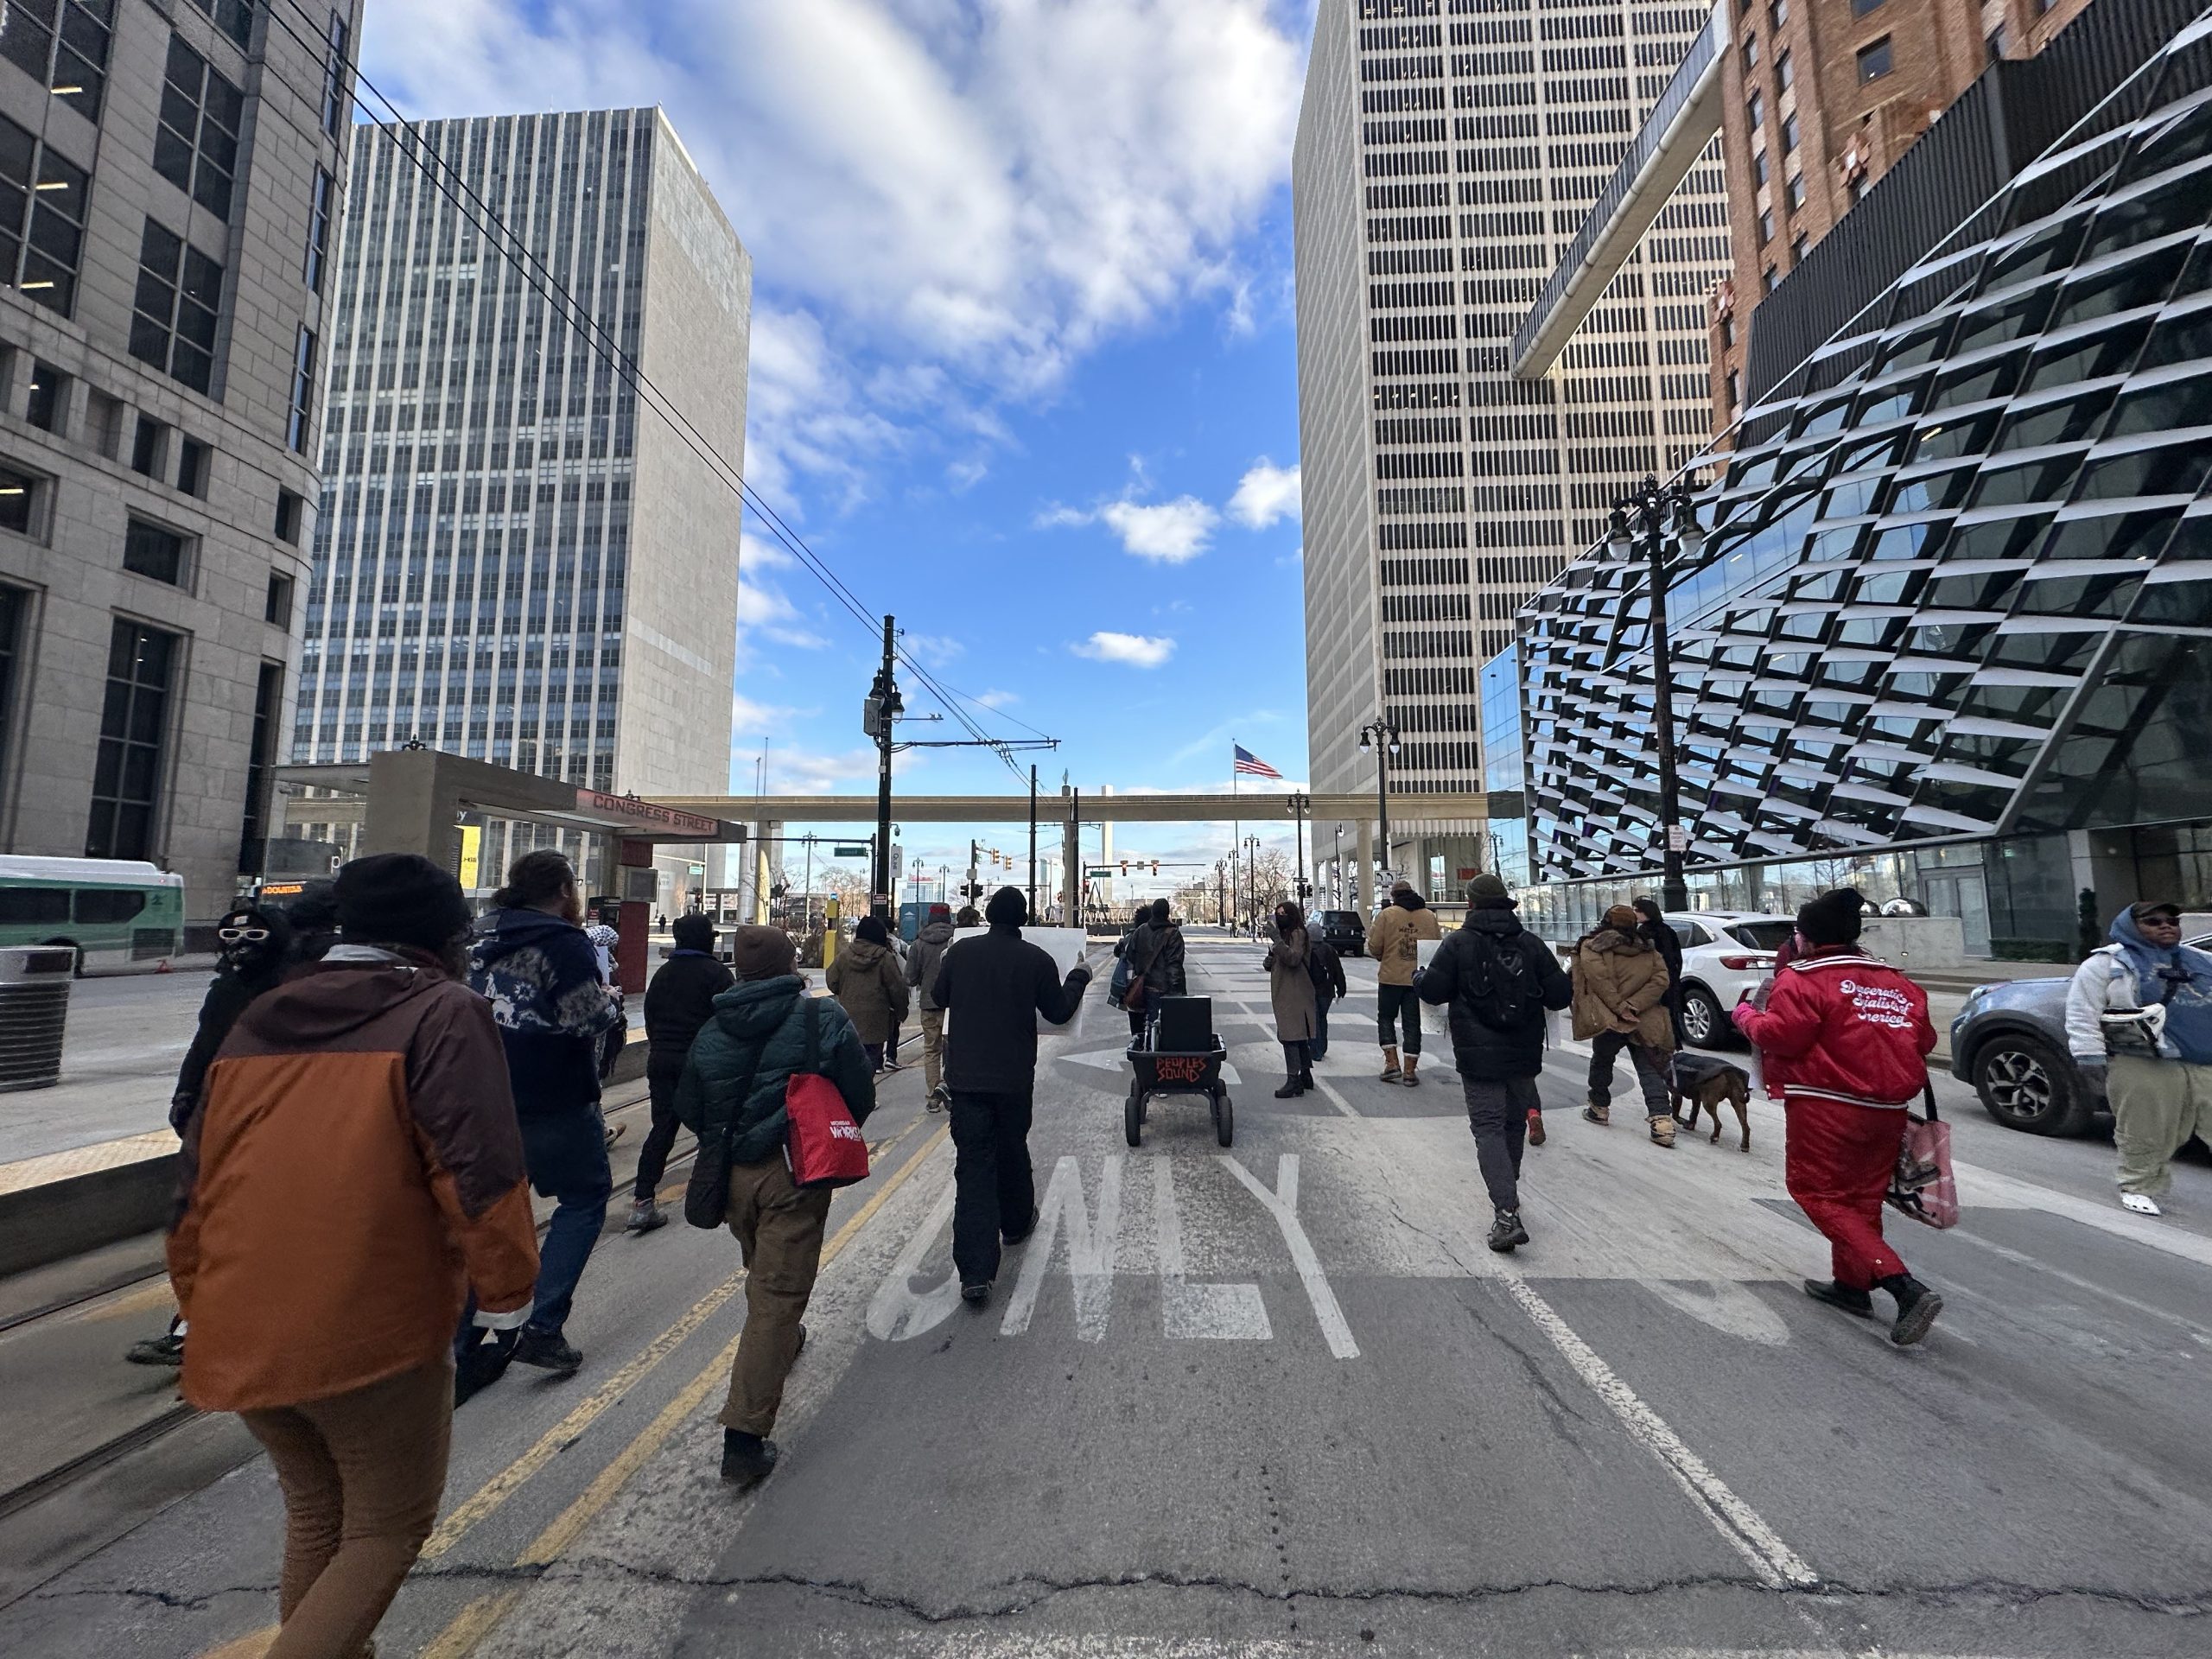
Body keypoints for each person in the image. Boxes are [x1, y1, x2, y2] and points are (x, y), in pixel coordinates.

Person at [168, 854, 539, 1657]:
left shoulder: (262, 1015)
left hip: (239, 1313)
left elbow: (195, 1177)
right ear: (446, 938)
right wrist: (510, 1294)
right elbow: (477, 1167)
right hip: (367, 1323)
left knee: (319, 1514)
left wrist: (198, 1296)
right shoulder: (443, 1010)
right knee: (384, 1530)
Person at [676, 925, 874, 1490]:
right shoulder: (821, 1018)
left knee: (763, 1276)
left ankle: (782, 1341)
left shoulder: (711, 1032)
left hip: (734, 1178)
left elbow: (690, 1104)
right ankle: (743, 1437)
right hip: (794, 1171)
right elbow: (860, 1092)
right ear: (791, 964)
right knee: (777, 1296)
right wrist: (824, 1134)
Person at [1733, 888, 1945, 1346]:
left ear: (1806, 938)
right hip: (1888, 1109)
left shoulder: (1803, 978)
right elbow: (1923, 1041)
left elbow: (1783, 1037)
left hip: (1827, 1104)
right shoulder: (1895, 980)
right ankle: (1851, 1287)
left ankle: (1902, 1286)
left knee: (1815, 1191)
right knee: (1862, 1199)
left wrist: (1746, 1015)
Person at [468, 850, 624, 1376]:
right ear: (563, 889)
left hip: (480, 1097)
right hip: (551, 1096)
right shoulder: (563, 942)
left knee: (489, 1213)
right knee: (583, 1201)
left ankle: (463, 1337)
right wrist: (611, 1002)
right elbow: (586, 1020)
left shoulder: (478, 937)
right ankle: (542, 1327)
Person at [126, 902, 298, 1369]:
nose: (241, 947)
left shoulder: (295, 988)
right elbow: (204, 1044)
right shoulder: (226, 990)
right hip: (220, 1120)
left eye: (255, 938)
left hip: (271, 1125)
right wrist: (187, 1095)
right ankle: (196, 1323)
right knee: (202, 1227)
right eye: (231, 937)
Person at [931, 887, 1090, 1306]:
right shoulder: (1035, 960)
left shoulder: (960, 955)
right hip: (1013, 1079)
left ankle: (975, 1273)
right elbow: (1058, 1011)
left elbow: (936, 997)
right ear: (1023, 919)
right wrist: (1079, 976)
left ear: (988, 915)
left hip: (966, 1081)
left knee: (973, 1170)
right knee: (1012, 1149)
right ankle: (1017, 1222)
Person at [1419, 874, 1573, 1251]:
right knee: (1511, 1126)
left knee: (1487, 1128)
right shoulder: (1531, 944)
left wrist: (1419, 976)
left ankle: (1506, 1211)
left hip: (1478, 1054)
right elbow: (1559, 996)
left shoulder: (1457, 944)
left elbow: (1435, 991)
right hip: (1523, 1052)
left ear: (1470, 904)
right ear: (1506, 903)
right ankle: (1509, 1195)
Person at [2067, 899, 2212, 1217]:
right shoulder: (2106, 965)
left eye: (2172, 920)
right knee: (2146, 1130)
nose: (2166, 926)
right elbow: (2082, 1014)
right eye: (2153, 921)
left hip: (2204, 1060)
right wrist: (2089, 1057)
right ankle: (2137, 1186)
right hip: (2144, 1061)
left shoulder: (2202, 961)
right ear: (2132, 926)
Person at [628, 913, 733, 1233]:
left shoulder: (662, 975)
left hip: (661, 1060)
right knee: (713, 1131)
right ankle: (713, 1195)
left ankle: (642, 1202)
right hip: (700, 1064)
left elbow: (650, 1020)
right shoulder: (717, 974)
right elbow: (729, 1023)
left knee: (663, 1130)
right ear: (707, 939)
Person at [1572, 904, 1678, 1147]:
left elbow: (1599, 980)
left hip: (1611, 1018)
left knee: (1602, 1061)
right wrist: (1635, 1005)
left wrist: (1621, 1008)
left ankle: (1599, 1108)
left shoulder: (1593, 946)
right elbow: (1662, 980)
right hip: (1644, 1017)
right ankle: (1662, 1122)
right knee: (1649, 1066)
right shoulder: (1648, 949)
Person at [1366, 879, 1441, 1085]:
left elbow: (1374, 946)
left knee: (1386, 1018)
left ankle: (1391, 1064)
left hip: (1391, 977)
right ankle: (1410, 1071)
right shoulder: (1428, 916)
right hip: (1418, 979)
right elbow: (1436, 947)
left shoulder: (1387, 915)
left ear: (1394, 896)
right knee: (1412, 1024)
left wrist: (1384, 955)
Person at [827, 914, 909, 1072]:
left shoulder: (843, 956)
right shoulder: (885, 958)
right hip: (876, 1020)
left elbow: (832, 981)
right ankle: (866, 1094)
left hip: (847, 1017)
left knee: (851, 1064)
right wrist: (901, 1012)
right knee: (870, 1061)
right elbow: (897, 988)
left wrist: (845, 992)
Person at [906, 902, 958, 1110]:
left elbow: (910, 978)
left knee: (931, 1050)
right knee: (954, 1049)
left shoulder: (919, 944)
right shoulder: (957, 941)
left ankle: (932, 1097)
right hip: (954, 1005)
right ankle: (952, 1089)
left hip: (929, 1003)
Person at [1265, 901, 1319, 1098]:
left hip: (1296, 990)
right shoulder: (1288, 934)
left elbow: (1294, 959)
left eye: (1283, 913)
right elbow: (1279, 958)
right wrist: (1270, 959)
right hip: (1285, 988)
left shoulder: (1297, 933)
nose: (1280, 917)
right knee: (1296, 1034)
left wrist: (1276, 939)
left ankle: (1293, 1080)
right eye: (1277, 913)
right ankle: (1305, 1074)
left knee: (1291, 1035)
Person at [1632, 897, 1687, 1047]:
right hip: (1671, 980)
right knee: (1672, 1021)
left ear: (1647, 913)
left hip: (1655, 983)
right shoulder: (1667, 930)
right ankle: (1676, 1052)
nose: (1634, 914)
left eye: (1637, 910)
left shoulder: (1643, 932)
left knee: (1658, 1023)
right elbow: (1677, 957)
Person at [1308, 928, 1346, 1062]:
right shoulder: (1329, 949)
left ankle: (1315, 1050)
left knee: (1314, 1020)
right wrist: (1341, 988)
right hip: (1327, 991)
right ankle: (1322, 1047)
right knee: (1322, 1018)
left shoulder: (1306, 950)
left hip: (1310, 991)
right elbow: (1338, 970)